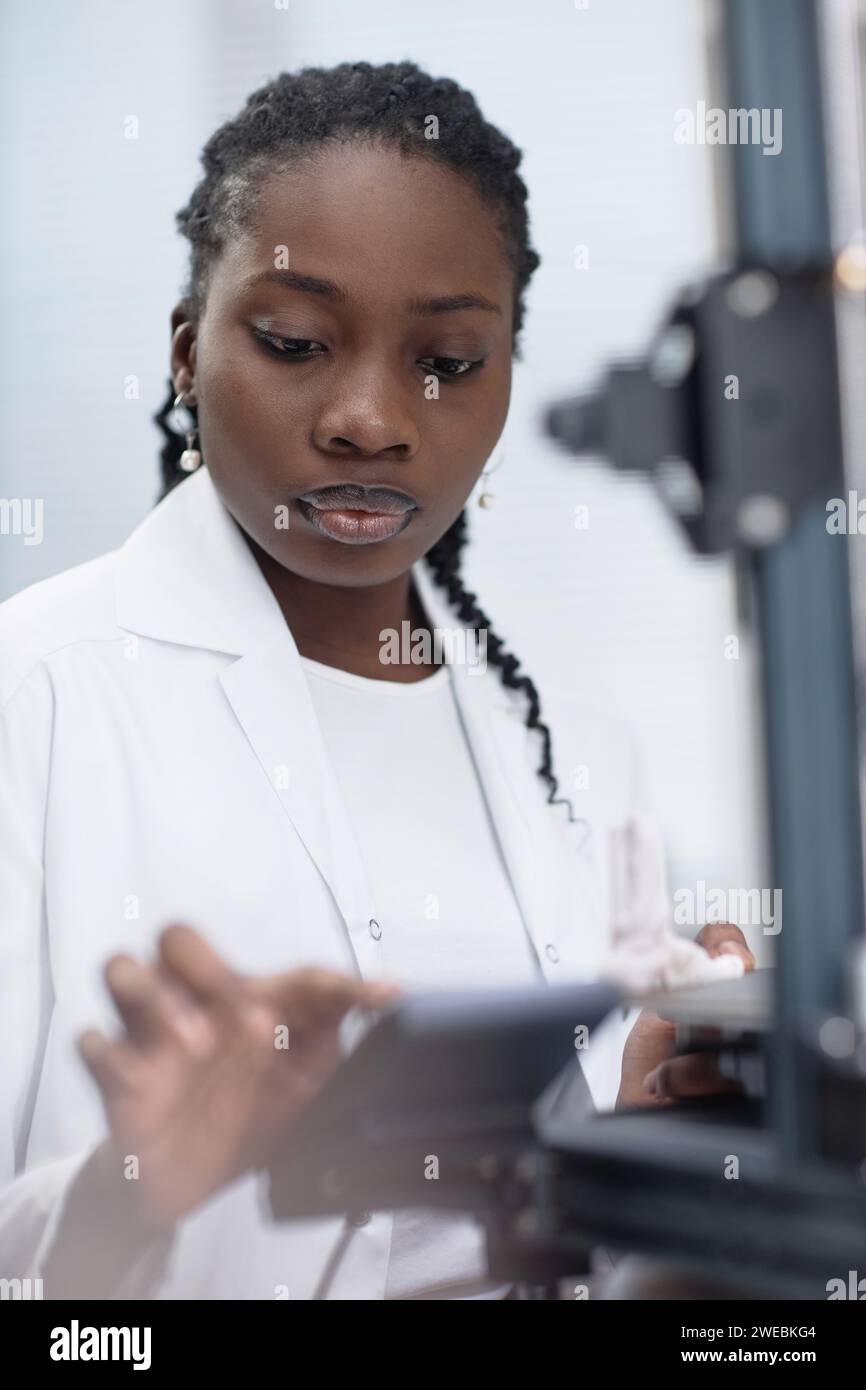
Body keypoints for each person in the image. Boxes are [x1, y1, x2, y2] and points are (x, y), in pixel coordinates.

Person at [0, 60, 752, 1301]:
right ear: (188, 353)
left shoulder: (565, 721)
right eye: (295, 342)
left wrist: (637, 1134)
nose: (369, 418)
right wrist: (126, 1188)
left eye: (448, 360)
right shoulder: (35, 698)